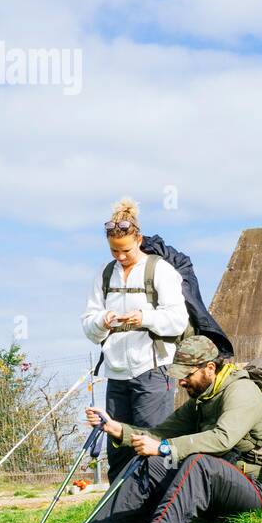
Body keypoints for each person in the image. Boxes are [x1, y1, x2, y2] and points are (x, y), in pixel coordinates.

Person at [53, 336, 262, 523]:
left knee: (197, 463)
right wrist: (116, 429)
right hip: (217, 488)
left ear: (209, 368)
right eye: (178, 374)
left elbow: (222, 438)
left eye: (187, 374)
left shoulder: (241, 390)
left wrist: (164, 448)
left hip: (259, 488)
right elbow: (159, 433)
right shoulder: (202, 399)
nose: (182, 381)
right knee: (151, 461)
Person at [81, 198, 189, 481]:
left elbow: (178, 319)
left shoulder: (160, 270)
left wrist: (144, 317)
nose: (120, 256)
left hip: (153, 371)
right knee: (117, 448)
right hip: (116, 375)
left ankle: (154, 509)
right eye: (114, 250)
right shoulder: (104, 275)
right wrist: (101, 321)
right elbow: (88, 325)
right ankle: (118, 515)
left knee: (150, 443)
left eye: (125, 250)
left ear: (139, 239)